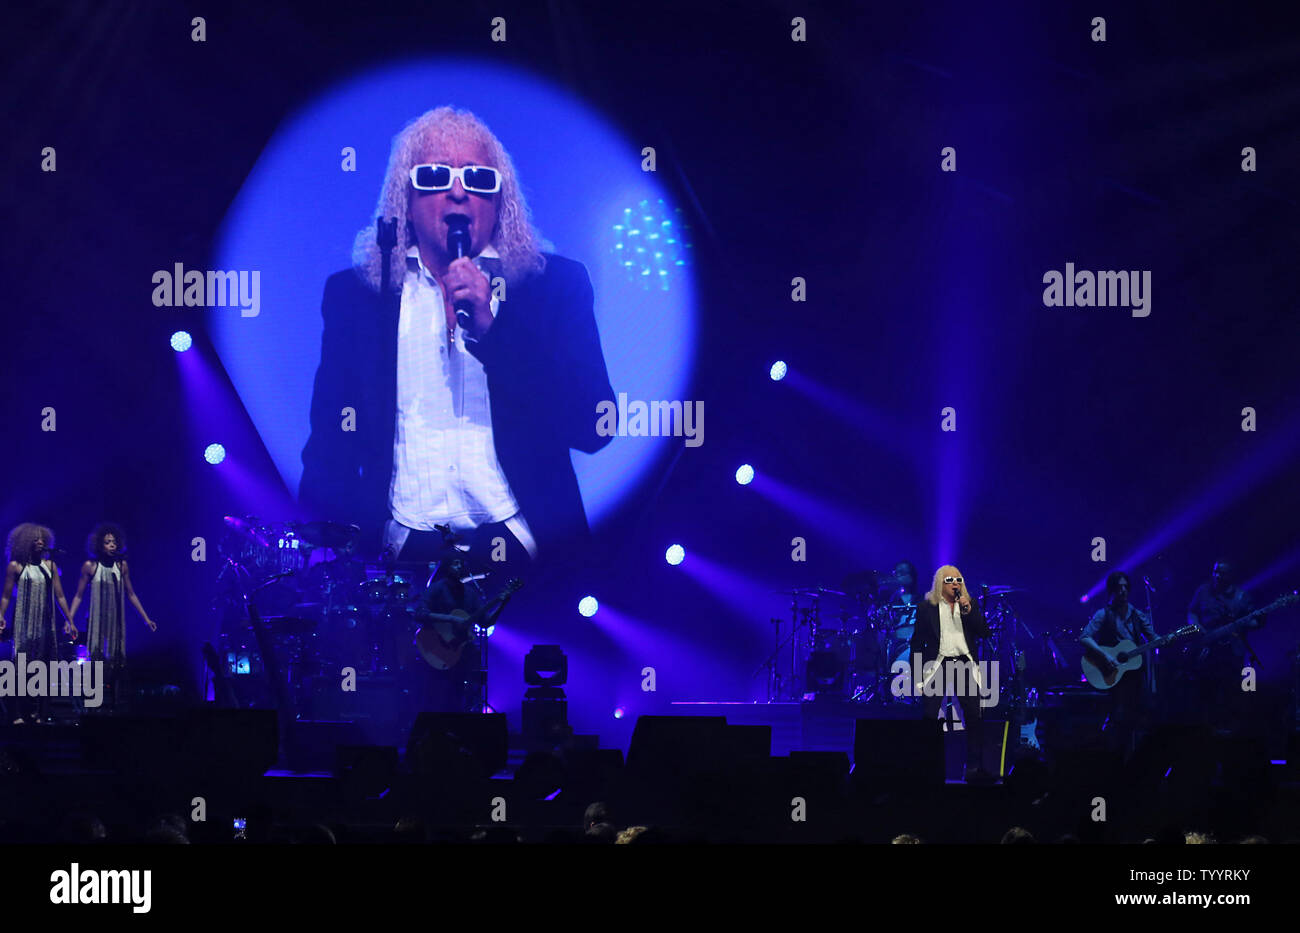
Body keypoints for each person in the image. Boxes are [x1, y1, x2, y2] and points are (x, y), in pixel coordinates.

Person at [299, 106, 615, 567]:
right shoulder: (355, 297)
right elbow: (331, 442)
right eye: (433, 176)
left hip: (527, 546)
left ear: (500, 202)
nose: (458, 193)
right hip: (399, 555)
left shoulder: (554, 287)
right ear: (403, 197)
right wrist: (321, 559)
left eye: (479, 180)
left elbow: (592, 426)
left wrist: (495, 331)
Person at [909, 565, 993, 783]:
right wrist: (917, 674)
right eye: (949, 580)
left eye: (958, 579)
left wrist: (969, 610)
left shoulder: (970, 604)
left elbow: (984, 632)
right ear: (939, 583)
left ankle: (974, 768)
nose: (955, 583)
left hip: (964, 664)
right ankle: (928, 767)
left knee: (974, 716)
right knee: (930, 718)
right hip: (936, 665)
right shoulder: (926, 607)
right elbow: (917, 642)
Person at [66, 523, 159, 712]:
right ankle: (93, 704)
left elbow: (131, 594)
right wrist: (70, 619)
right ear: (100, 545)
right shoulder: (90, 566)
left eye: (114, 542)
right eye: (108, 542)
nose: (112, 545)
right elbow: (78, 595)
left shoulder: (121, 566)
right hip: (96, 621)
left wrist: (146, 618)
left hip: (116, 622)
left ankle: (115, 706)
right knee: (96, 660)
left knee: (117, 662)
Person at [0, 524, 78, 723]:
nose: (40, 542)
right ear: (25, 542)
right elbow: (6, 596)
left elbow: (60, 595)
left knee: (43, 666)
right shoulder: (15, 566)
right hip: (24, 621)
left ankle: (40, 712)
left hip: (45, 622)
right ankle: (17, 713)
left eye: (42, 538)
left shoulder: (50, 566)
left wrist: (70, 620)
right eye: (35, 539)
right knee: (20, 666)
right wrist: (1, 615)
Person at [1079, 571, 1157, 754]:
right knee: (1119, 718)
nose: (1123, 591)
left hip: (1135, 675)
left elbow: (1154, 638)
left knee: (1138, 717)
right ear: (1112, 590)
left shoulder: (1138, 615)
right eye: (1118, 587)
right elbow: (1084, 637)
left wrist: (1168, 639)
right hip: (1112, 673)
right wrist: (1105, 655)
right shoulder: (1103, 614)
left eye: (1125, 587)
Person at [1184, 561, 1261, 731]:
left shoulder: (1241, 597)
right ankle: (1203, 729)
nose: (1217, 576)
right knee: (1204, 690)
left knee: (1231, 690)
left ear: (1230, 576)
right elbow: (1192, 611)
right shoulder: (1203, 591)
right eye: (1215, 572)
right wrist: (1197, 627)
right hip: (1206, 650)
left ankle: (1230, 731)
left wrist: (1248, 624)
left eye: (1222, 573)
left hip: (1231, 652)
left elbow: (1255, 622)